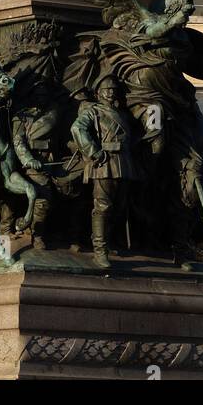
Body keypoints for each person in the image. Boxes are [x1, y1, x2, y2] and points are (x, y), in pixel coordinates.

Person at [71, 75, 137, 269]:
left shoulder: (124, 115)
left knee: (119, 207)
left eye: (113, 89)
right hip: (104, 162)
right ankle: (100, 251)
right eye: (107, 89)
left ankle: (109, 241)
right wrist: (93, 151)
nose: (110, 93)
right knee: (102, 207)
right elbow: (77, 129)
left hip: (123, 163)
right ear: (98, 93)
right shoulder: (93, 112)